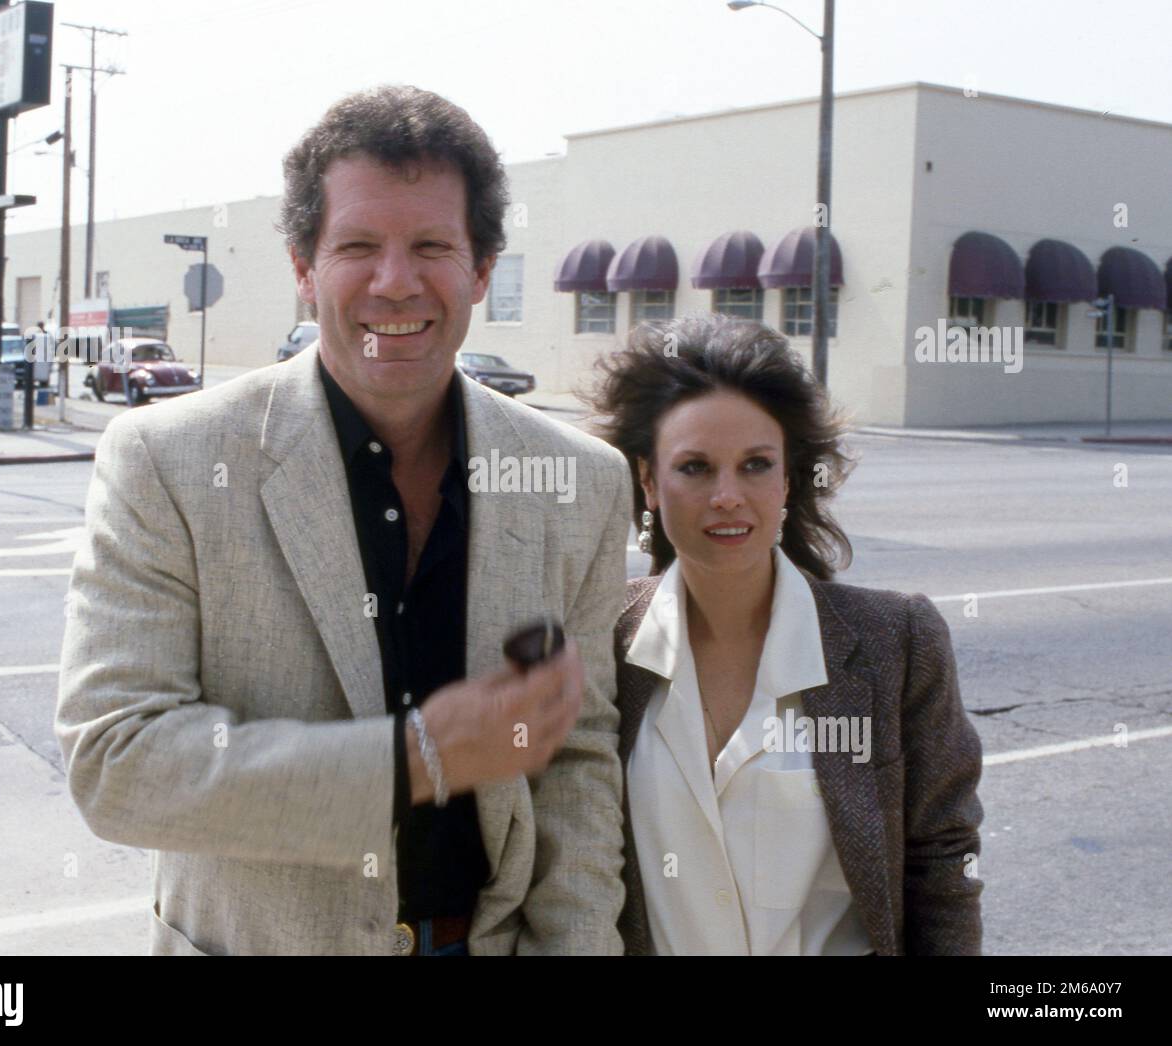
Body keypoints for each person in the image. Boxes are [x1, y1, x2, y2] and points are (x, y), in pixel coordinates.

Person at [55, 84, 632, 956]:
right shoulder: (165, 460)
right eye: (357, 245)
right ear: (302, 268)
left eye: (432, 245)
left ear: (481, 268)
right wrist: (420, 756)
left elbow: (580, 764)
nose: (394, 281)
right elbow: (118, 767)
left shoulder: (581, 482)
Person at [586, 313, 984, 955]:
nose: (727, 496)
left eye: (754, 465)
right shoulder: (602, 640)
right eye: (693, 467)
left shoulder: (897, 641)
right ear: (647, 482)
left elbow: (942, 861)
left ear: (788, 479)